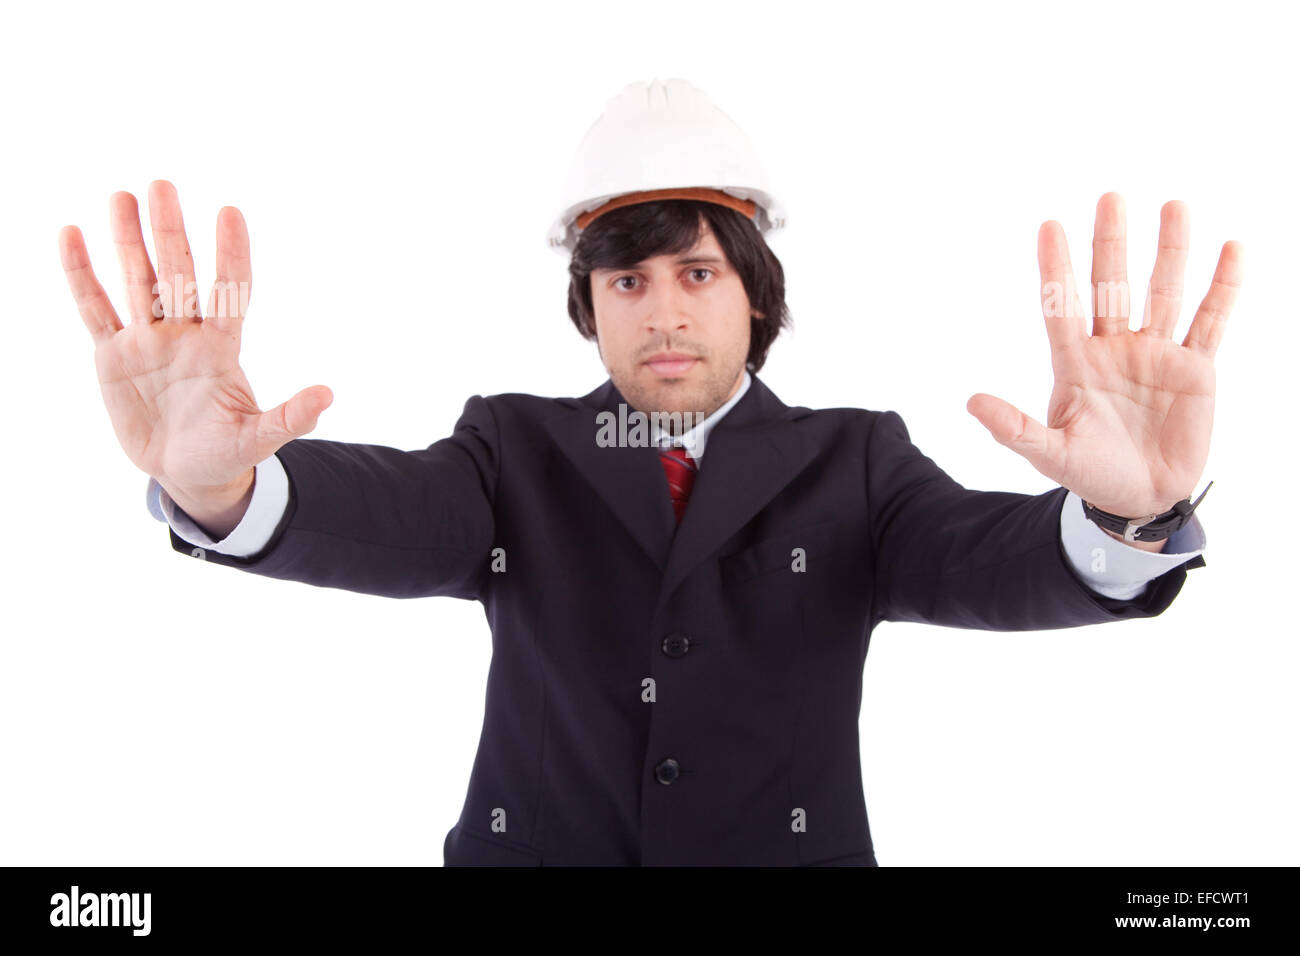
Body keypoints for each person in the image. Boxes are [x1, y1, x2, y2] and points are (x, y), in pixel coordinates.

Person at [58, 78, 1239, 866]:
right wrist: (219, 488)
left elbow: (993, 562)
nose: (662, 312)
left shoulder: (856, 460)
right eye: (626, 281)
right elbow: (388, 517)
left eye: (696, 273)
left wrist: (1126, 512)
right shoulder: (514, 449)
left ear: (754, 294)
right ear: (588, 306)